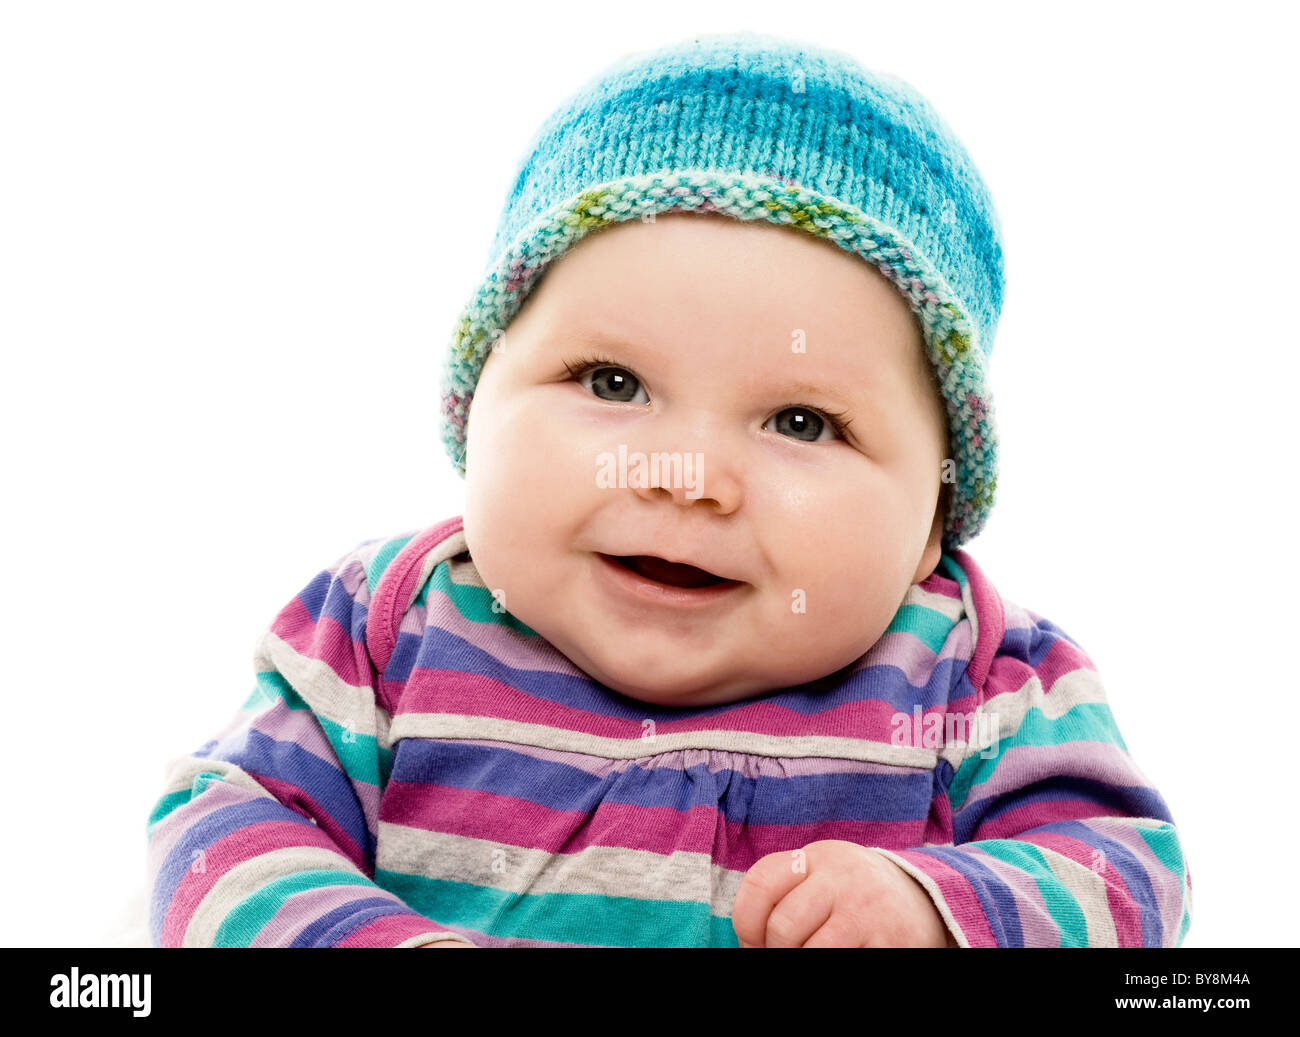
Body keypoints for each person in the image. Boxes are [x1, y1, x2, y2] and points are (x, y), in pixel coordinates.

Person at [145, 31, 1192, 947]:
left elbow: (1124, 873)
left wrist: (936, 905)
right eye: (611, 382)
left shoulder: (976, 678)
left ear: (933, 515)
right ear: (476, 407)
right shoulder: (385, 626)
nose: (684, 477)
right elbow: (225, 823)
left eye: (801, 421)